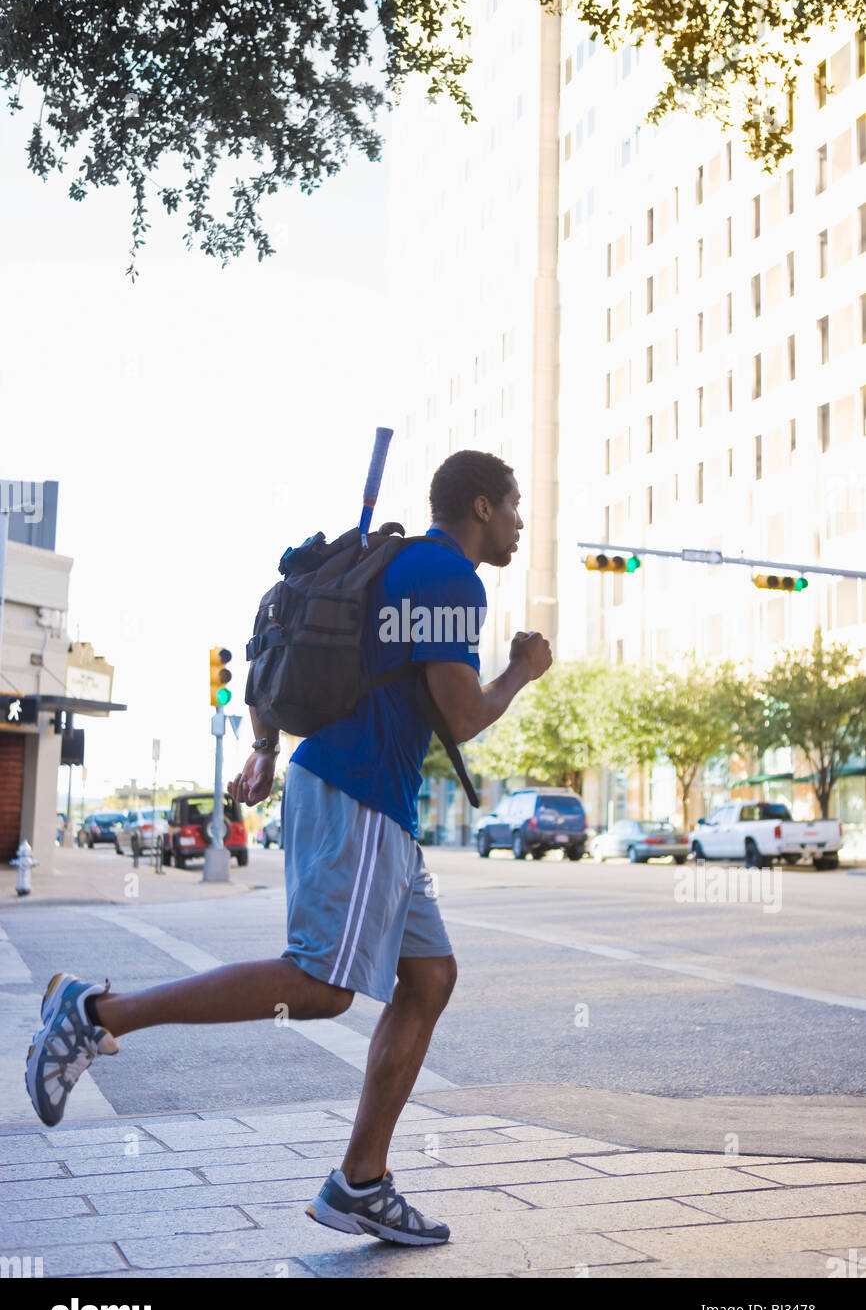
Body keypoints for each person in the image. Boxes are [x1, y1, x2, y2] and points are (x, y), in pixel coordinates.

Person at [25, 449, 552, 1247]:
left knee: (430, 977)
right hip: (361, 792)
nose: (519, 522)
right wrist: (521, 670)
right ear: (481, 507)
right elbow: (466, 713)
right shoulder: (450, 579)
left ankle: (360, 1183)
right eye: (514, 506)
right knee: (319, 985)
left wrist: (266, 745)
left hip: (363, 797)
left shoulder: (382, 565)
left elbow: (285, 639)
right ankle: (95, 1013)